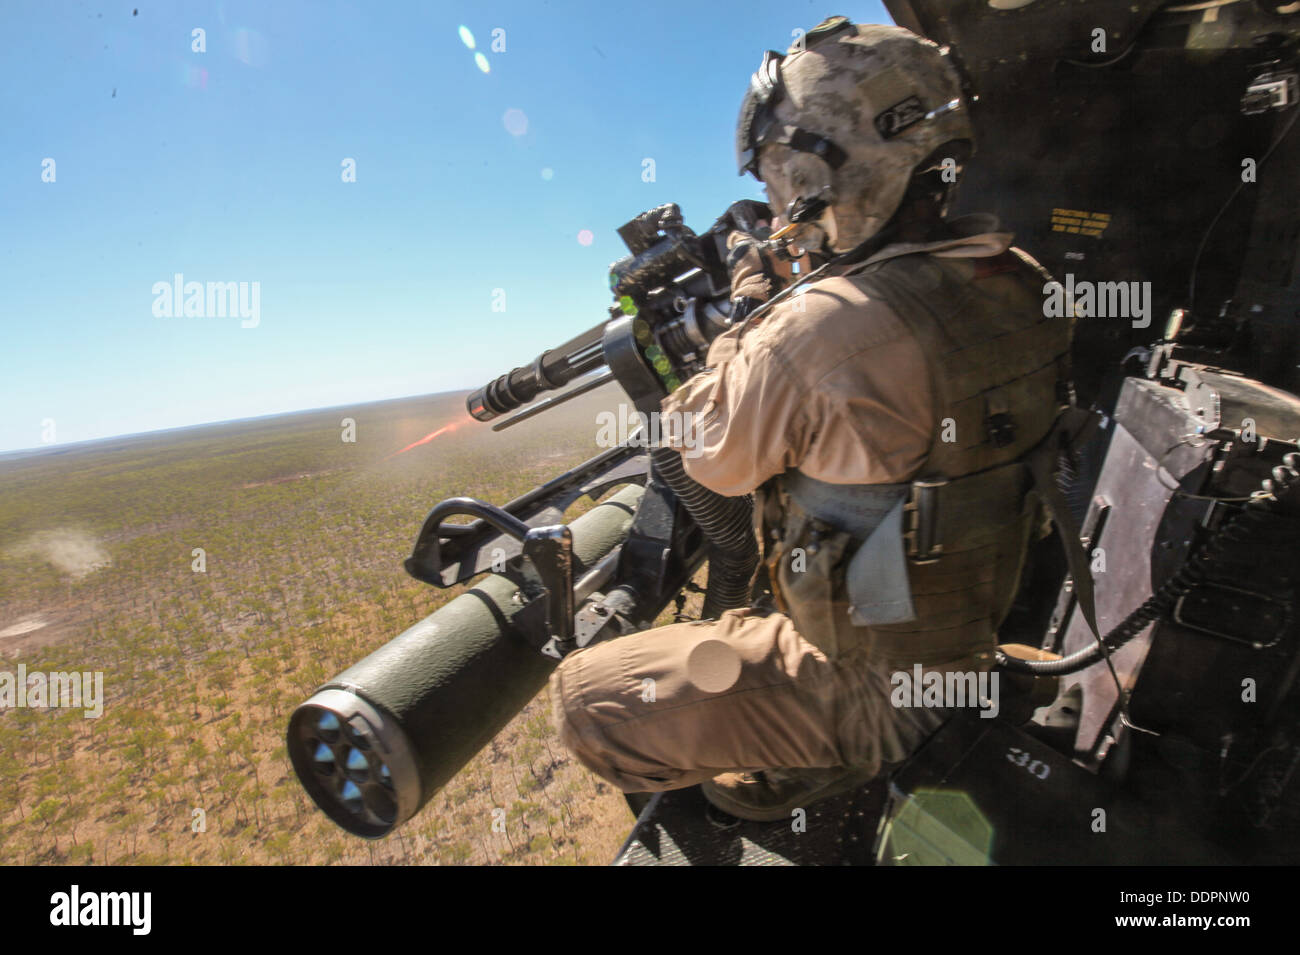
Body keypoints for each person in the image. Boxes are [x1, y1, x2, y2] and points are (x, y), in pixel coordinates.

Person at [549, 17, 1076, 821]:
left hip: (876, 690)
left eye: (772, 173)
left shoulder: (823, 330)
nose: (769, 196)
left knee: (588, 704)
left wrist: (754, 310)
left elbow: (707, 453)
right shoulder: (1026, 281)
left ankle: (806, 770)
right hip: (964, 624)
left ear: (815, 167)